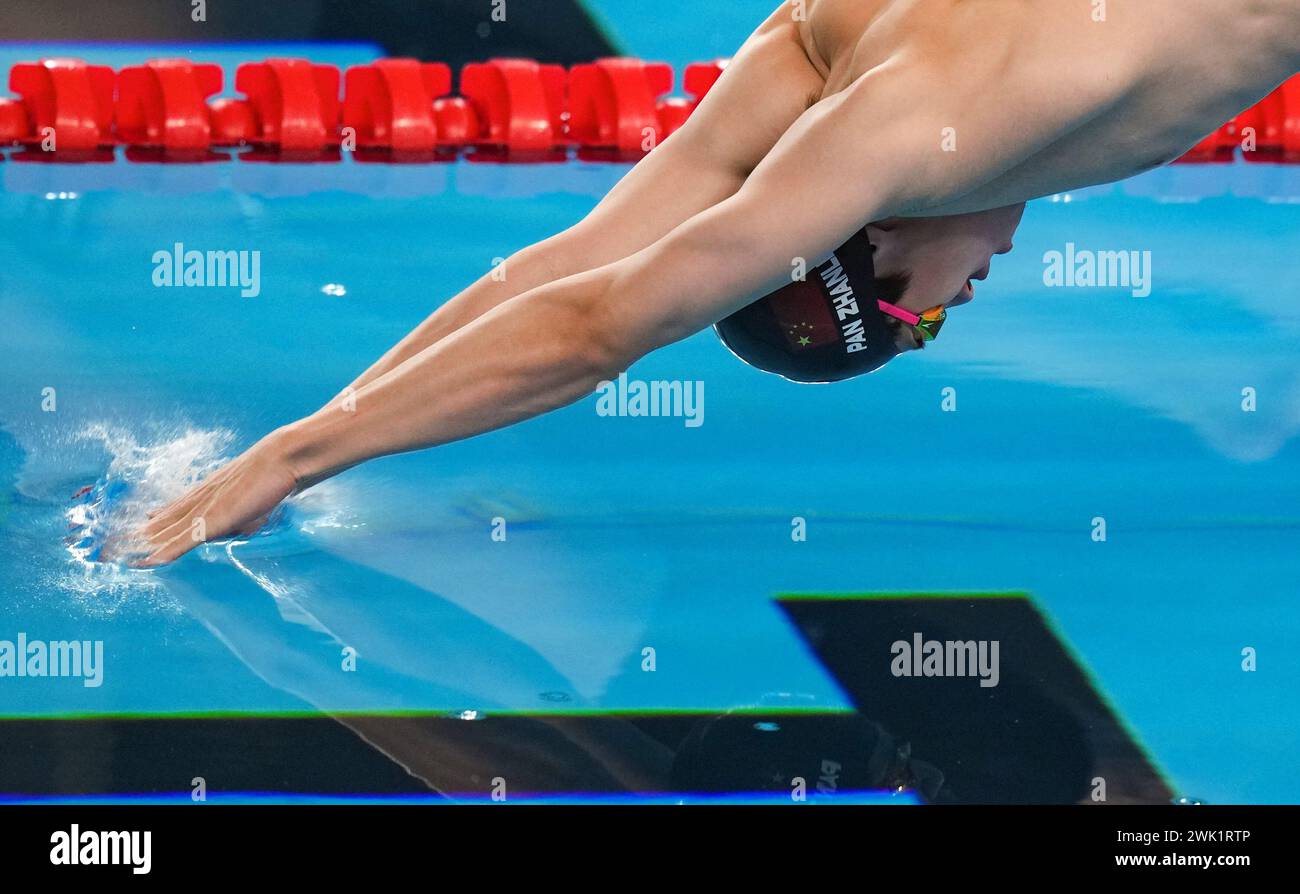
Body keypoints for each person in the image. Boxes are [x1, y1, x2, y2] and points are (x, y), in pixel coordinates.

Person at [121, 0, 1300, 565]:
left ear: (871, 245)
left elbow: (593, 315)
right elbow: (574, 262)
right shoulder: (828, 36)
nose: (963, 302)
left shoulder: (903, 123)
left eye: (918, 321)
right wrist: (320, 429)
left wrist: (292, 456)